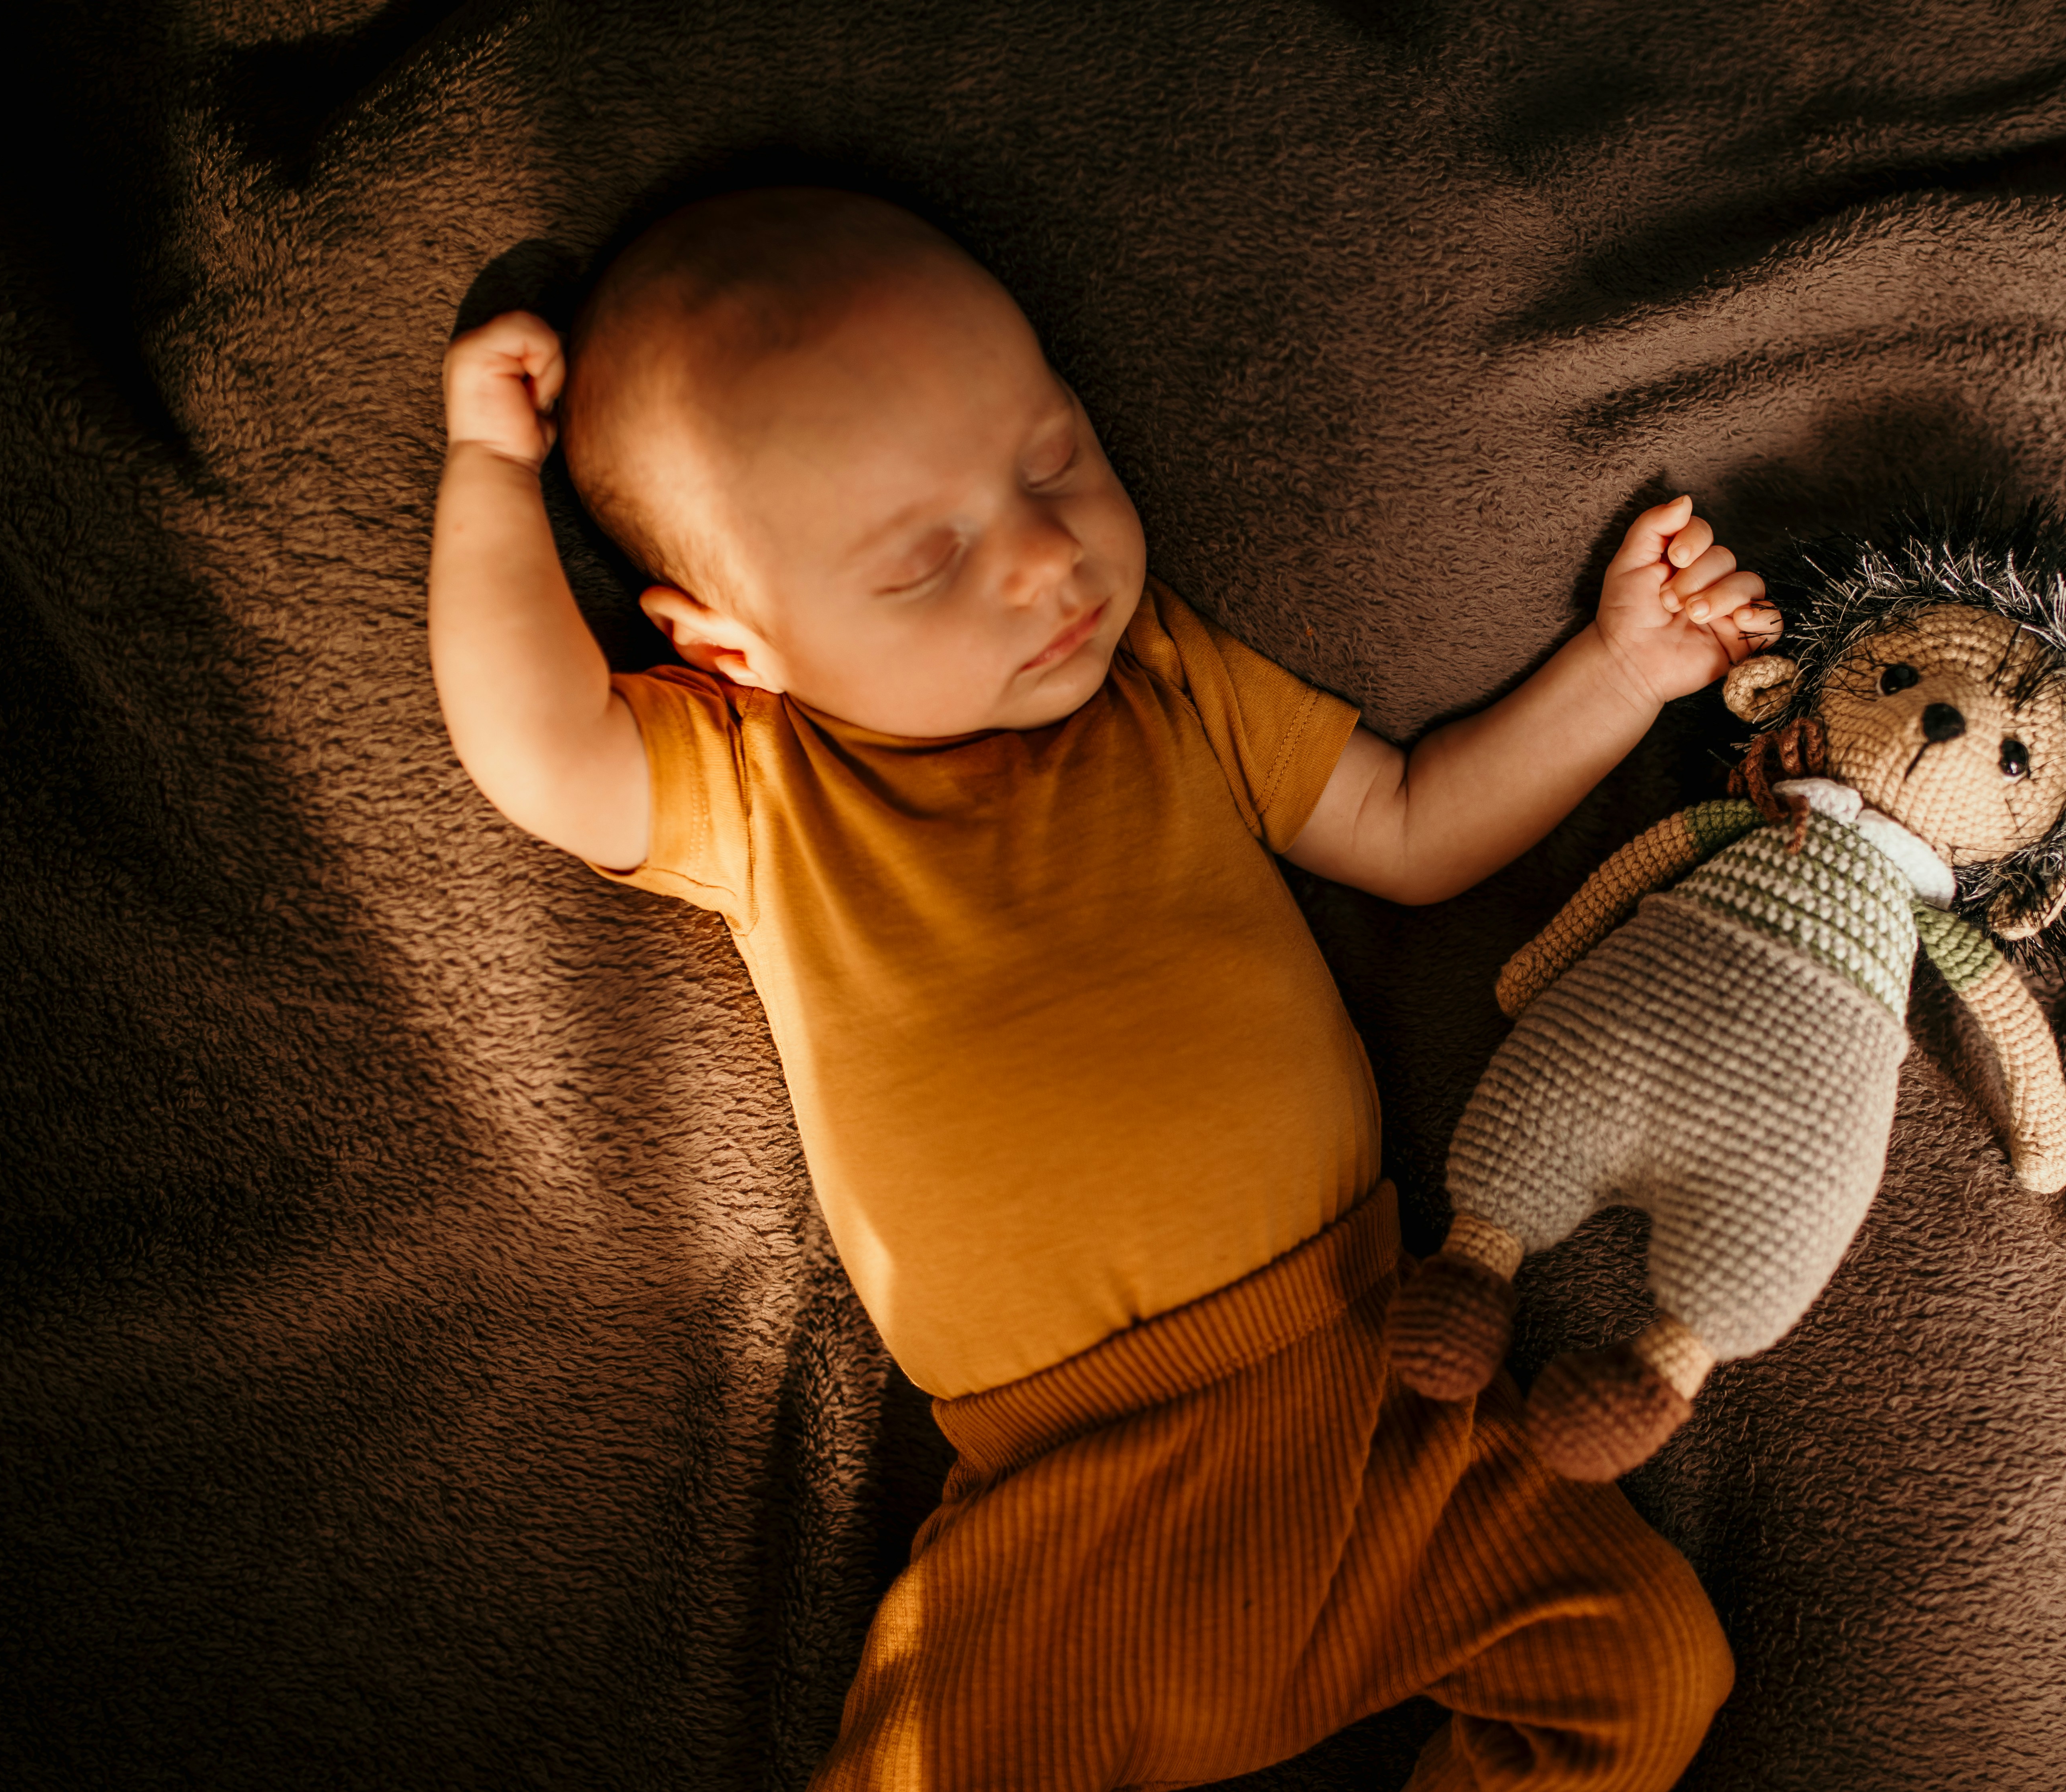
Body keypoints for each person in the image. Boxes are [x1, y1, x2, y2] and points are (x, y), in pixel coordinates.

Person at [428, 185, 1772, 1791]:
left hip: (1376, 1408)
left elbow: (1413, 828)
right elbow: (537, 747)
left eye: (1052, 457)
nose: (1047, 557)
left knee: (1649, 1662)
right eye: (924, 564)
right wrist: (490, 474)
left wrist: (1618, 673)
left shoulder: (1165, 686)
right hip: (1065, 1514)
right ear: (732, 648)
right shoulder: (756, 788)